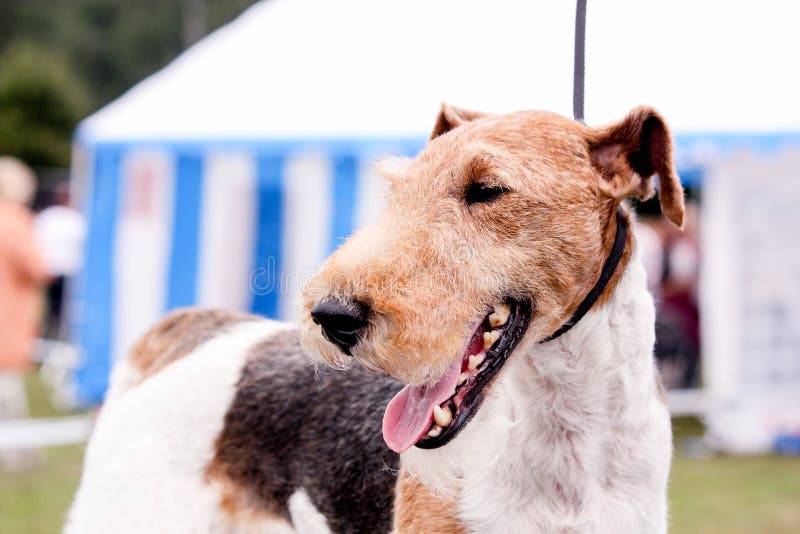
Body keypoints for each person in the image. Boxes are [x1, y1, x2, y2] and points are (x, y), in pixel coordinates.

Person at [0, 157, 48, 469]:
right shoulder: (15, 221)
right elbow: (37, 267)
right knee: (7, 388)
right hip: (8, 315)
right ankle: (15, 452)